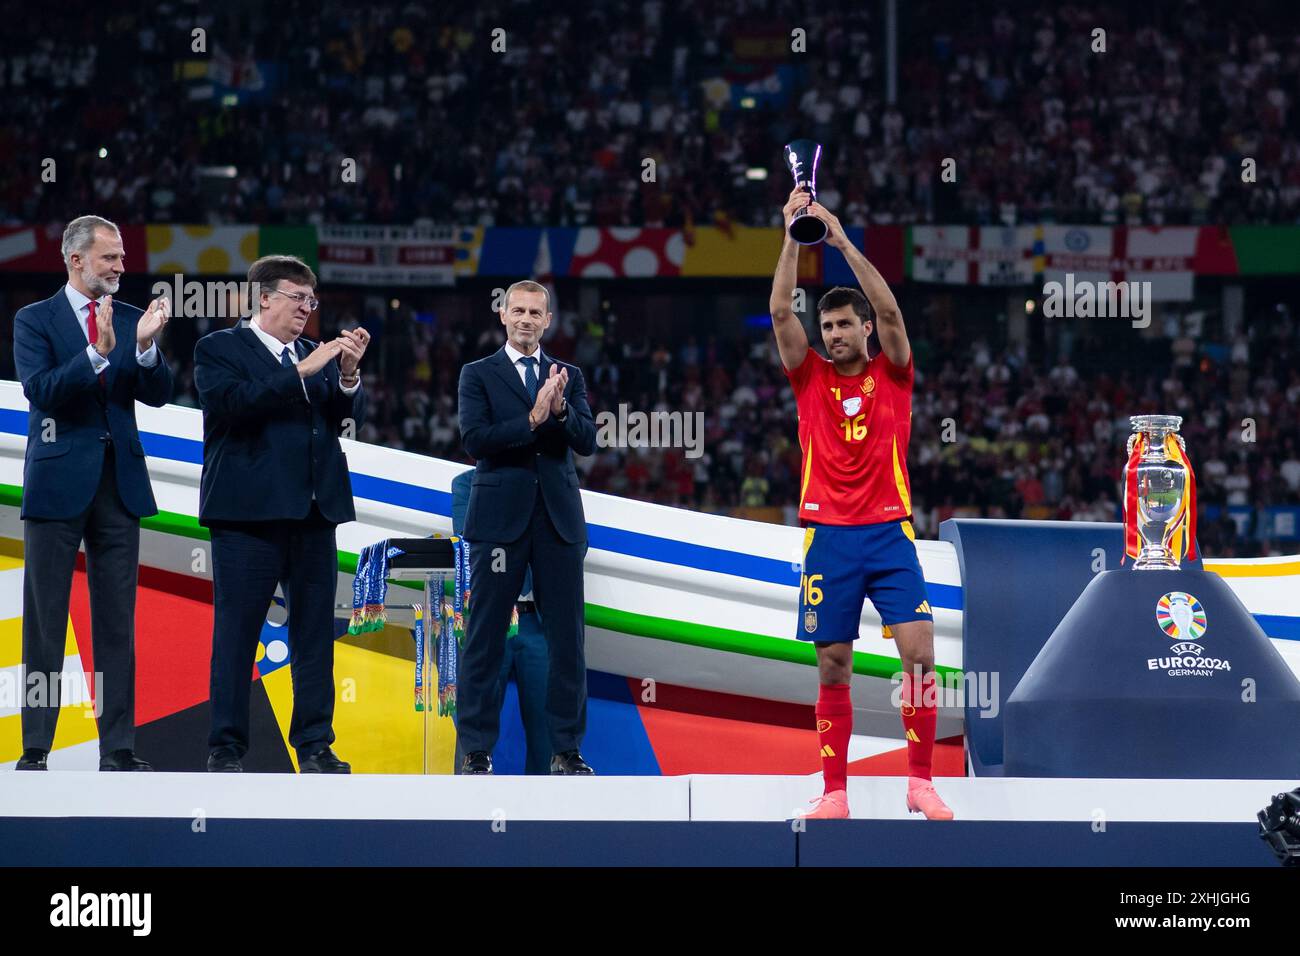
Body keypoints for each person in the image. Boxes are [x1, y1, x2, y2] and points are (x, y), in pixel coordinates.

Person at [770, 188, 952, 820]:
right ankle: (835, 792)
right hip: (829, 536)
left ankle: (920, 781)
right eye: (827, 326)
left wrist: (841, 240)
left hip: (889, 534)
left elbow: (895, 313)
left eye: (845, 323)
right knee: (834, 664)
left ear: (865, 329)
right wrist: (796, 232)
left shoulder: (894, 373)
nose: (835, 333)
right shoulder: (809, 376)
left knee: (921, 652)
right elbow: (777, 312)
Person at [193, 255, 368, 774]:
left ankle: (315, 745)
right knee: (237, 634)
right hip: (248, 518)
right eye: (298, 298)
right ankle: (226, 749)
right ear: (264, 298)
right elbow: (234, 406)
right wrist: (303, 371)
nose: (307, 309)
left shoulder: (314, 353)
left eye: (312, 301)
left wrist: (347, 375)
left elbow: (334, 418)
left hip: (314, 514)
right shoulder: (217, 349)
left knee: (314, 636)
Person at [12, 214, 173, 771]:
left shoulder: (133, 319)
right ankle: (36, 748)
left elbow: (158, 395)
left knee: (116, 622)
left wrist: (147, 349)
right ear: (75, 260)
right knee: (45, 620)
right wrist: (98, 354)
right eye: (111, 257)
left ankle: (119, 748)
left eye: (123, 257)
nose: (122, 267)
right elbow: (43, 392)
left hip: (118, 487)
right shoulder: (34, 320)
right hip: (57, 484)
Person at [456, 279, 596, 775]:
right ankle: (476, 749)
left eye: (536, 313)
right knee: (485, 636)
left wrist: (558, 410)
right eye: (518, 311)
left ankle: (566, 750)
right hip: (499, 521)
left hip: (557, 522)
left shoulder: (568, 375)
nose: (527, 320)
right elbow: (477, 441)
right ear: (503, 314)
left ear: (548, 320)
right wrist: (534, 419)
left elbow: (586, 440)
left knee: (567, 640)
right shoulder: (478, 375)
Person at [451, 468, 552, 775]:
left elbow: (575, 545)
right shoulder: (467, 484)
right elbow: (472, 541)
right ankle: (467, 813)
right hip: (490, 618)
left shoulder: (553, 482)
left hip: (539, 623)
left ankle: (549, 814)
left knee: (548, 732)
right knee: (475, 732)